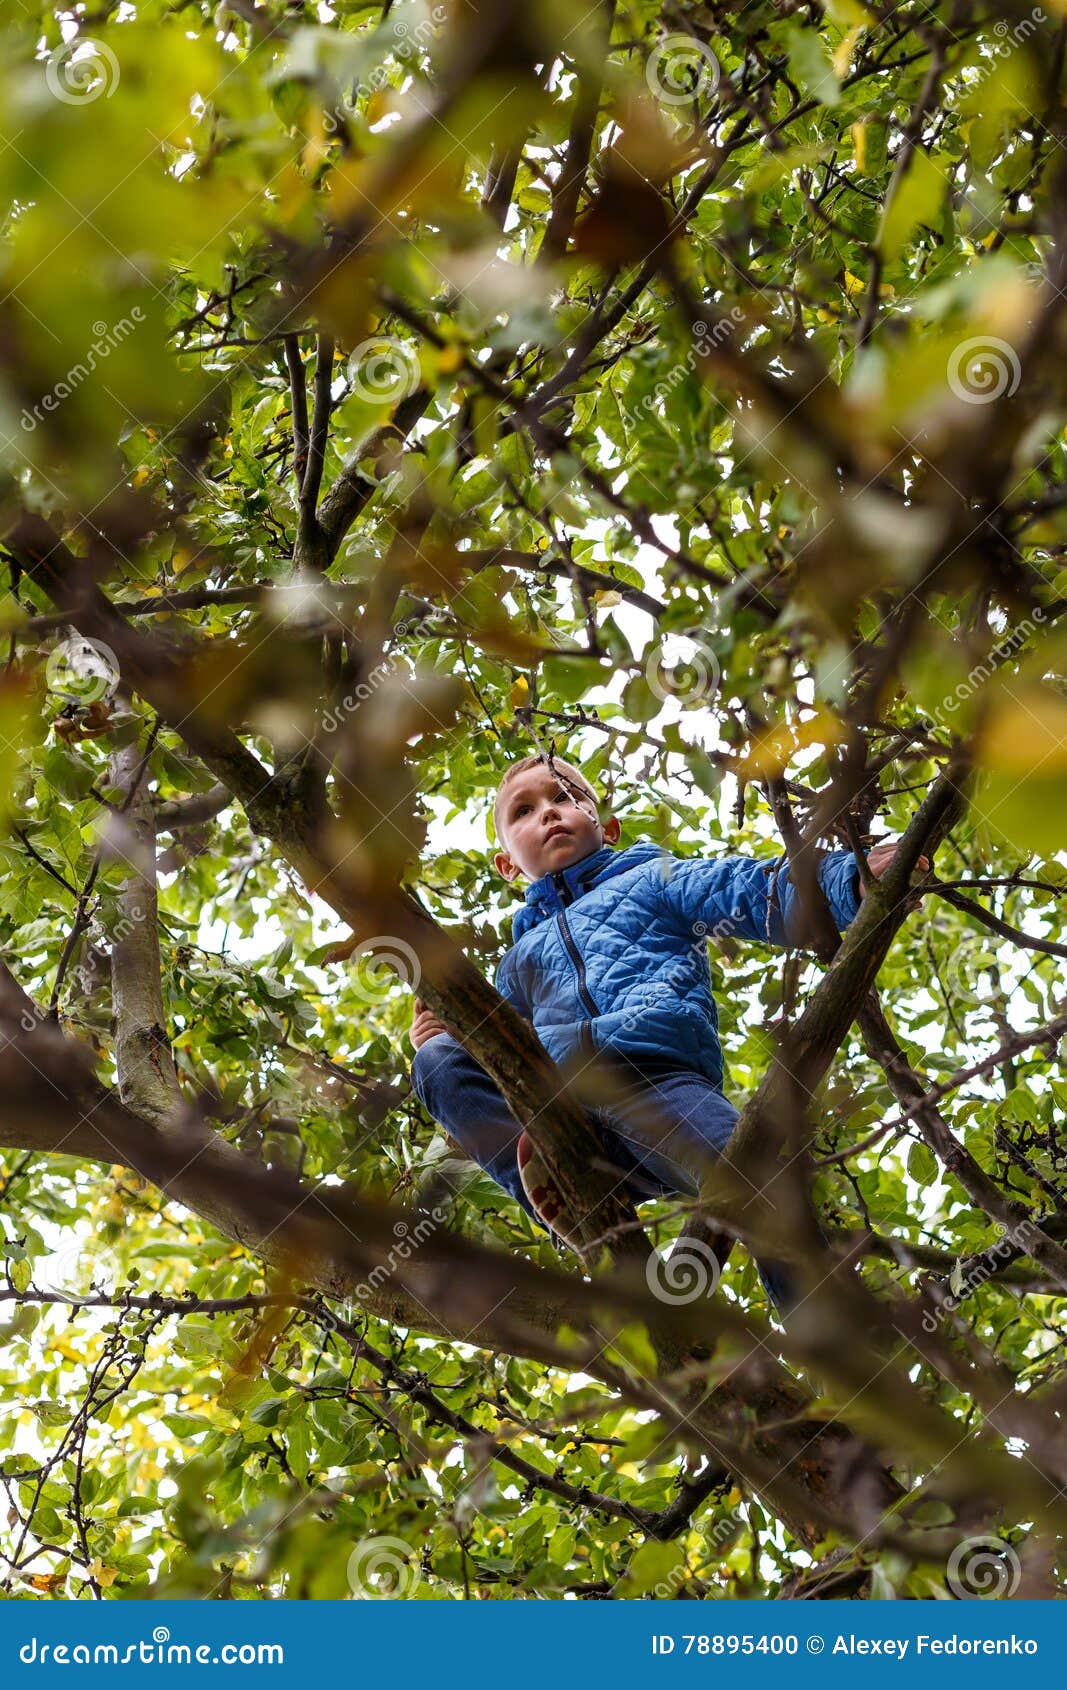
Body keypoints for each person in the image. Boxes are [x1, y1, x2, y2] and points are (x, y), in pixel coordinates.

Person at [409, 754, 923, 1312]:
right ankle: (562, 1195)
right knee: (437, 1061)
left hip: (658, 1087)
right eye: (525, 811)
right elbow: (492, 1057)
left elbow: (748, 890)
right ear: (507, 864)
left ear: (606, 829)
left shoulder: (653, 880)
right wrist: (446, 1029)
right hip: (561, 1116)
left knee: (760, 1187)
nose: (550, 814)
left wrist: (854, 878)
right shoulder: (516, 964)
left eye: (564, 798)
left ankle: (835, 1347)